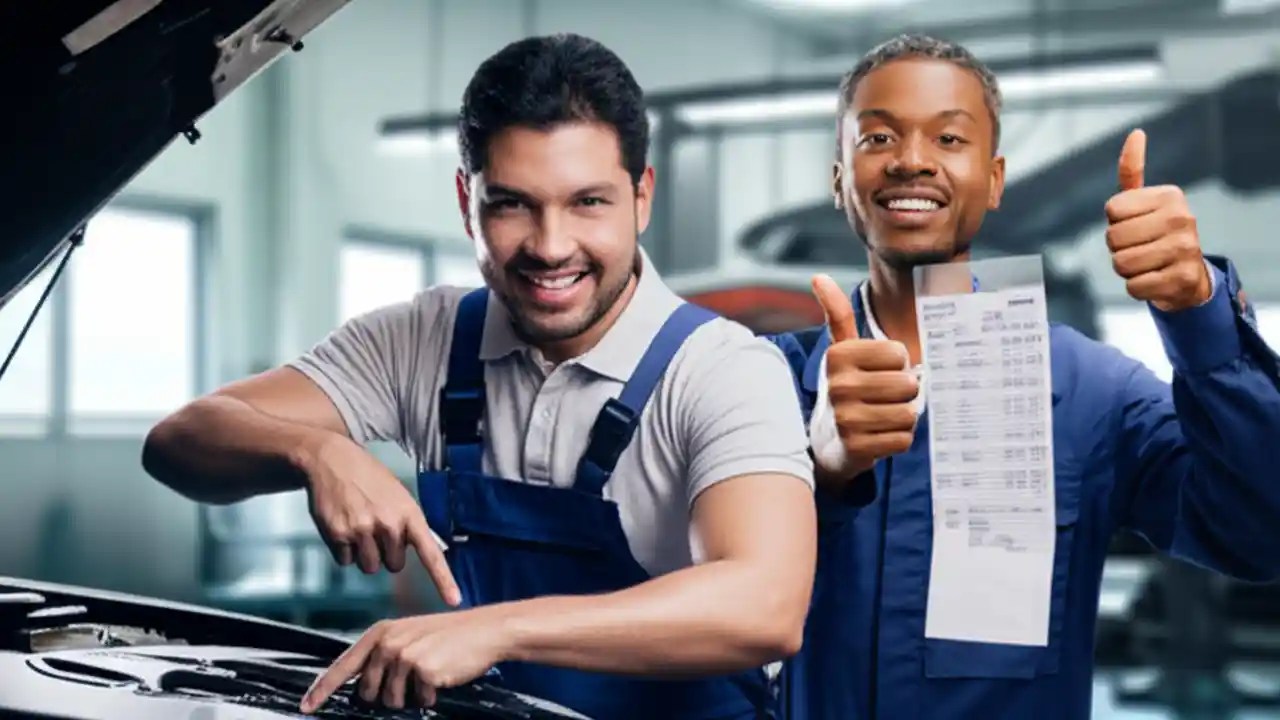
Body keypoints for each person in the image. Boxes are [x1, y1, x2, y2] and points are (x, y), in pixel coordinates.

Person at [141, 33, 817, 720]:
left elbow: (764, 607)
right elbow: (177, 442)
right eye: (512, 204)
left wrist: (498, 628)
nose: (551, 247)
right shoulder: (426, 339)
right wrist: (316, 450)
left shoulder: (723, 370)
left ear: (641, 196)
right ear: (468, 199)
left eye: (588, 202)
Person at [768, 33, 1280, 720]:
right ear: (840, 180)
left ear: (995, 179)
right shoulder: (759, 382)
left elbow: (1260, 532)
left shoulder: (1094, 394)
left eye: (950, 140)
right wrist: (818, 474)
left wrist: (1202, 314)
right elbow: (687, 589)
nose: (912, 161)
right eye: (879, 138)